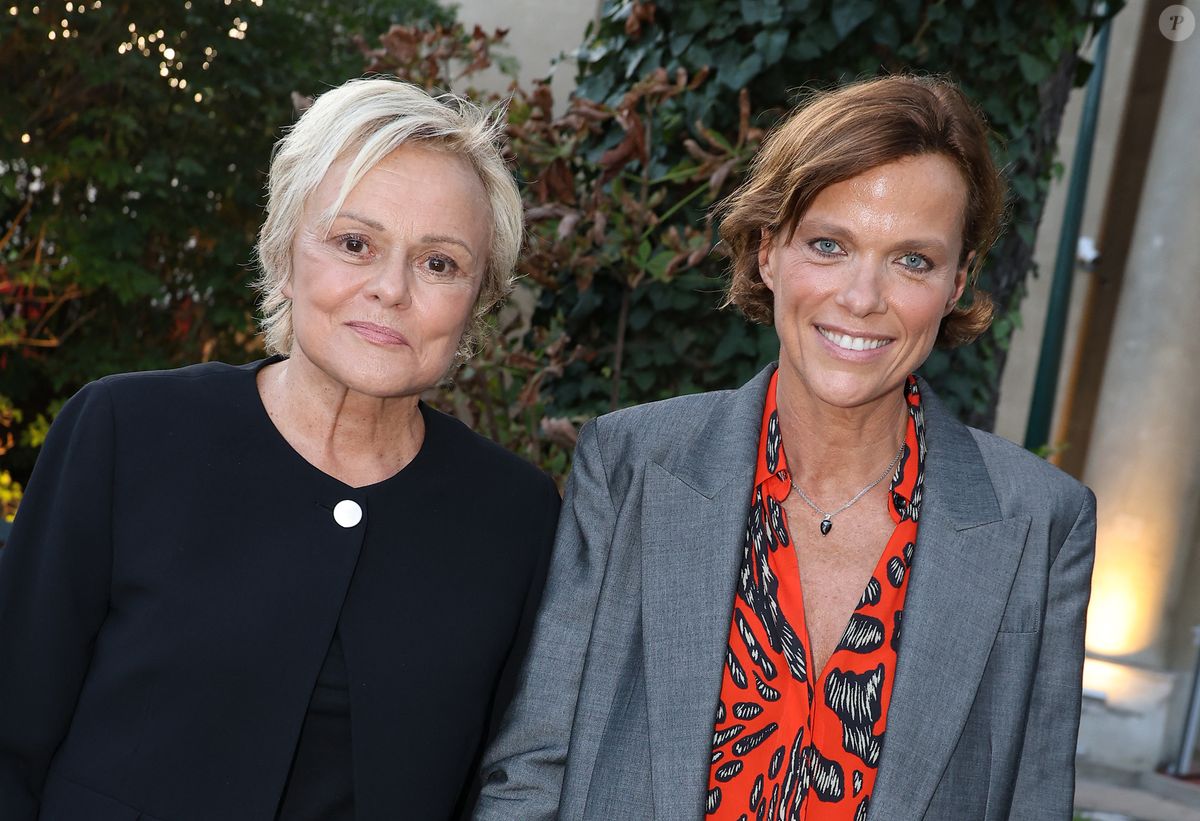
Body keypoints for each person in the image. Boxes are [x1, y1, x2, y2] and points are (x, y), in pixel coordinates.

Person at [474, 75, 1096, 821]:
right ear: (768, 251)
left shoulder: (1041, 521)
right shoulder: (631, 463)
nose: (862, 297)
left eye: (913, 261)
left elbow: (1034, 801)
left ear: (958, 282)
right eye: (830, 245)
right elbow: (533, 771)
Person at [0, 77, 560, 821]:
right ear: (285, 251)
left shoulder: (515, 518)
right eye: (354, 243)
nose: (391, 289)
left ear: (478, 300)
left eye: (439, 263)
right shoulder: (124, 431)